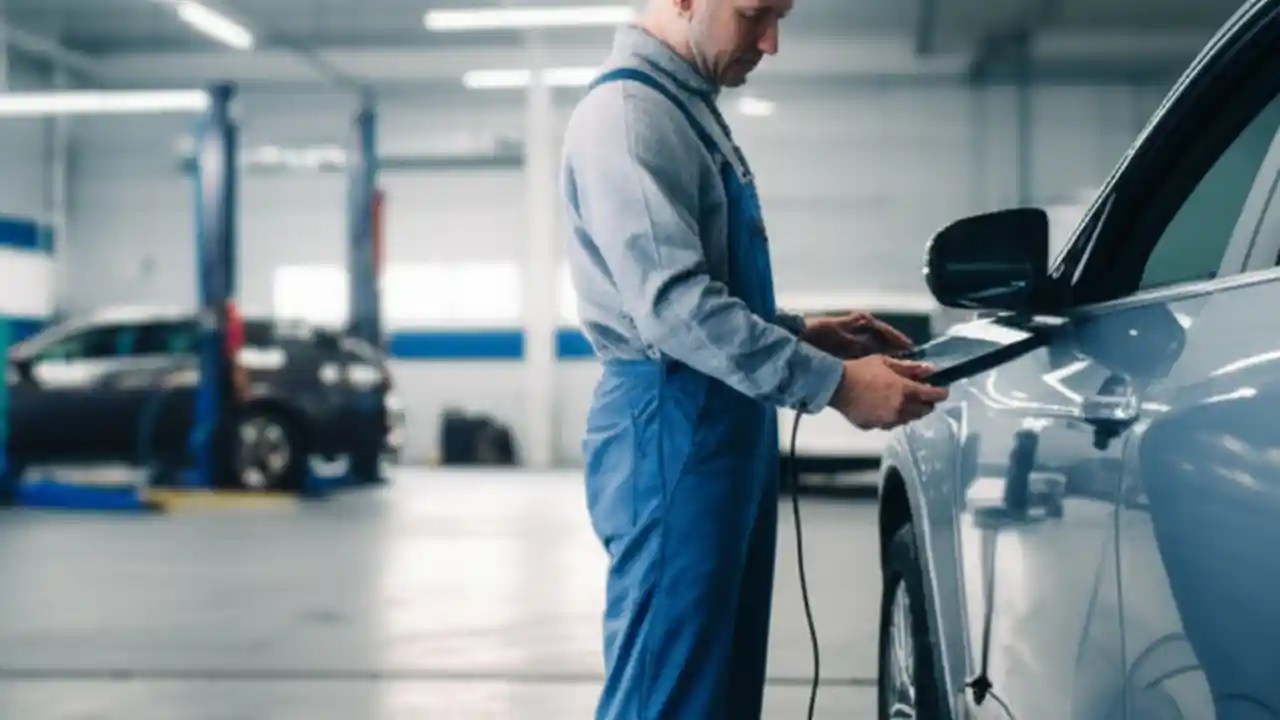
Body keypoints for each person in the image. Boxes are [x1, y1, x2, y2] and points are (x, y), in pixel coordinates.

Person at [559, 0, 951, 717]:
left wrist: (804, 333)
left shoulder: (684, 108)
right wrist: (833, 385)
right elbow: (673, 309)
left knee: (719, 689)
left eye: (782, 15)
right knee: (668, 695)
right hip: (670, 435)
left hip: (719, 430)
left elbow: (701, 291)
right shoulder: (627, 115)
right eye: (755, 14)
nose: (771, 42)